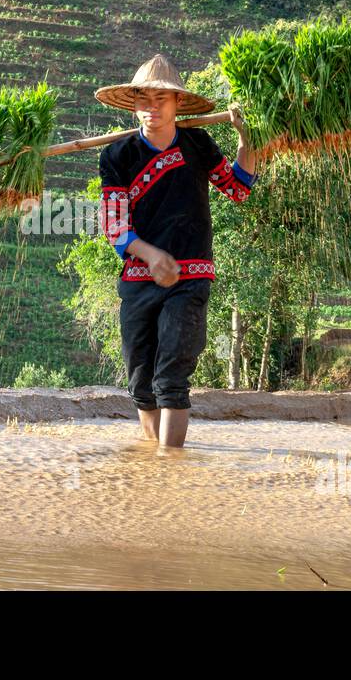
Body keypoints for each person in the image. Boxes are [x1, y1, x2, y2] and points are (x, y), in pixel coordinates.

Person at [95, 54, 260, 449]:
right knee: (141, 378)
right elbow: (115, 227)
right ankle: (154, 459)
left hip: (190, 278)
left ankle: (171, 468)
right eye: (145, 99)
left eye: (162, 99)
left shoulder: (198, 145)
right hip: (138, 280)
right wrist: (151, 256)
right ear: (133, 104)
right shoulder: (117, 157)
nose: (152, 107)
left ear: (178, 104)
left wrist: (246, 139)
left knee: (171, 374)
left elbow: (237, 187)